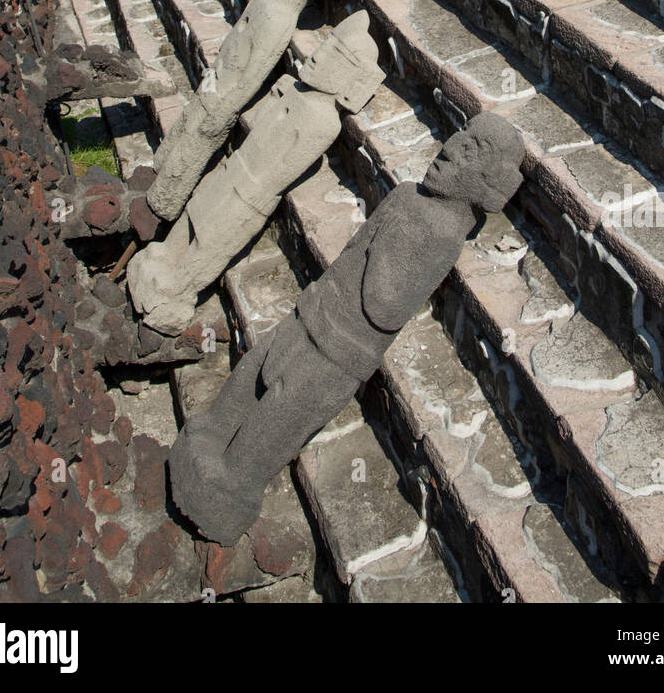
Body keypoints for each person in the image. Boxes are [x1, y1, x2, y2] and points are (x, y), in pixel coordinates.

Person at [169, 112, 526, 546]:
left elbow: (386, 308)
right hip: (315, 309)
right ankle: (210, 431)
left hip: (340, 349)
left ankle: (230, 487)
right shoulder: (408, 196)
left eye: (469, 151)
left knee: (280, 416)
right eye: (457, 137)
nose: (448, 150)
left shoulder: (442, 235)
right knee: (251, 373)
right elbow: (354, 250)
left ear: (489, 183)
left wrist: (386, 246)